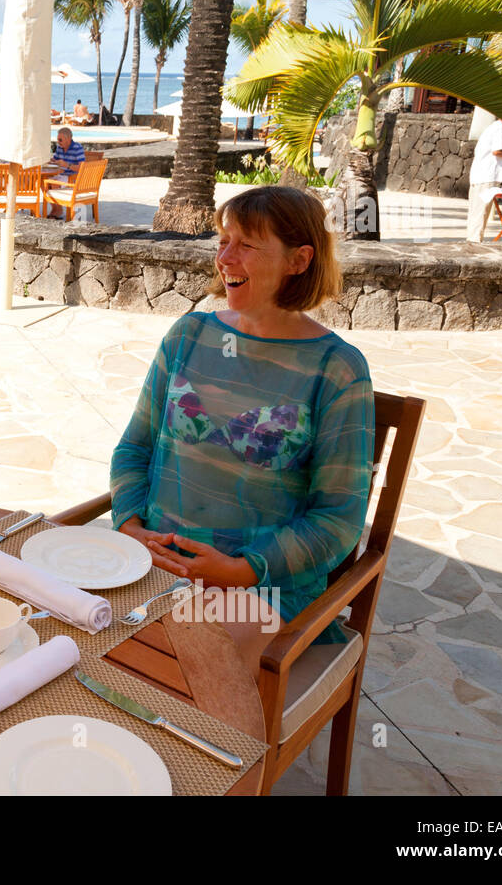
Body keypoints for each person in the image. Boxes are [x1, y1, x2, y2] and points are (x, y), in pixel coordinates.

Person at [109, 186, 374, 677]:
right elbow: (134, 449)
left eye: (247, 245)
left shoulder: (337, 370)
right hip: (154, 558)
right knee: (62, 625)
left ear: (299, 260)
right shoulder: (188, 335)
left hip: (263, 583)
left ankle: (211, 754)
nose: (225, 258)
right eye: (223, 240)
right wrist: (130, 526)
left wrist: (241, 570)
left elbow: (339, 519)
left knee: (186, 662)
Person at [466, 117, 502, 243]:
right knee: (481, 212)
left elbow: (494, 156)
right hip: (486, 176)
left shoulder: (492, 128)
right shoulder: (499, 128)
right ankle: (474, 243)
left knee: (476, 212)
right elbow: (497, 151)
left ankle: (472, 240)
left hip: (480, 175)